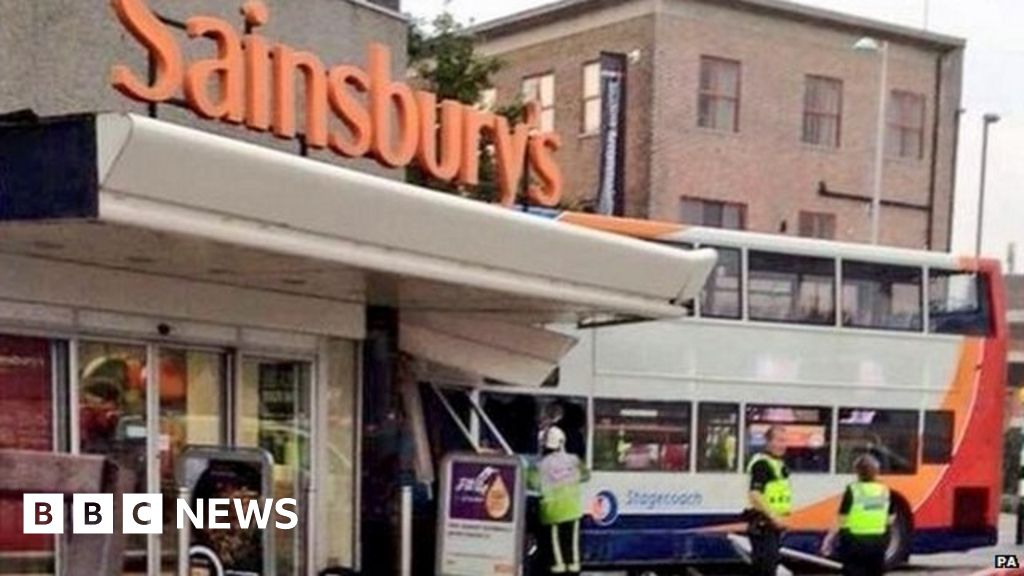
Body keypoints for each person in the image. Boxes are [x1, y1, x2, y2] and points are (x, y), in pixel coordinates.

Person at [528, 426, 590, 576]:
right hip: (573, 511)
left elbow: (532, 483)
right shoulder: (574, 460)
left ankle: (559, 571)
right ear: (562, 443)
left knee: (556, 552)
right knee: (572, 549)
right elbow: (586, 475)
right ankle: (573, 571)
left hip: (552, 513)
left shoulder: (540, 465)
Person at [820, 454, 892, 576]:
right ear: (876, 472)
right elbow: (890, 519)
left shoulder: (853, 490)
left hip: (855, 543)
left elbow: (841, 519)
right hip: (878, 543)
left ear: (857, 472)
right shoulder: (884, 491)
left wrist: (828, 540)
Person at [746, 425, 792, 576]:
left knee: (769, 567)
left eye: (785, 441)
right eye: (779, 440)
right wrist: (774, 516)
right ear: (768, 442)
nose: (783, 445)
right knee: (765, 567)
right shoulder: (762, 464)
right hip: (764, 524)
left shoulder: (778, 464)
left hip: (773, 527)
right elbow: (755, 494)